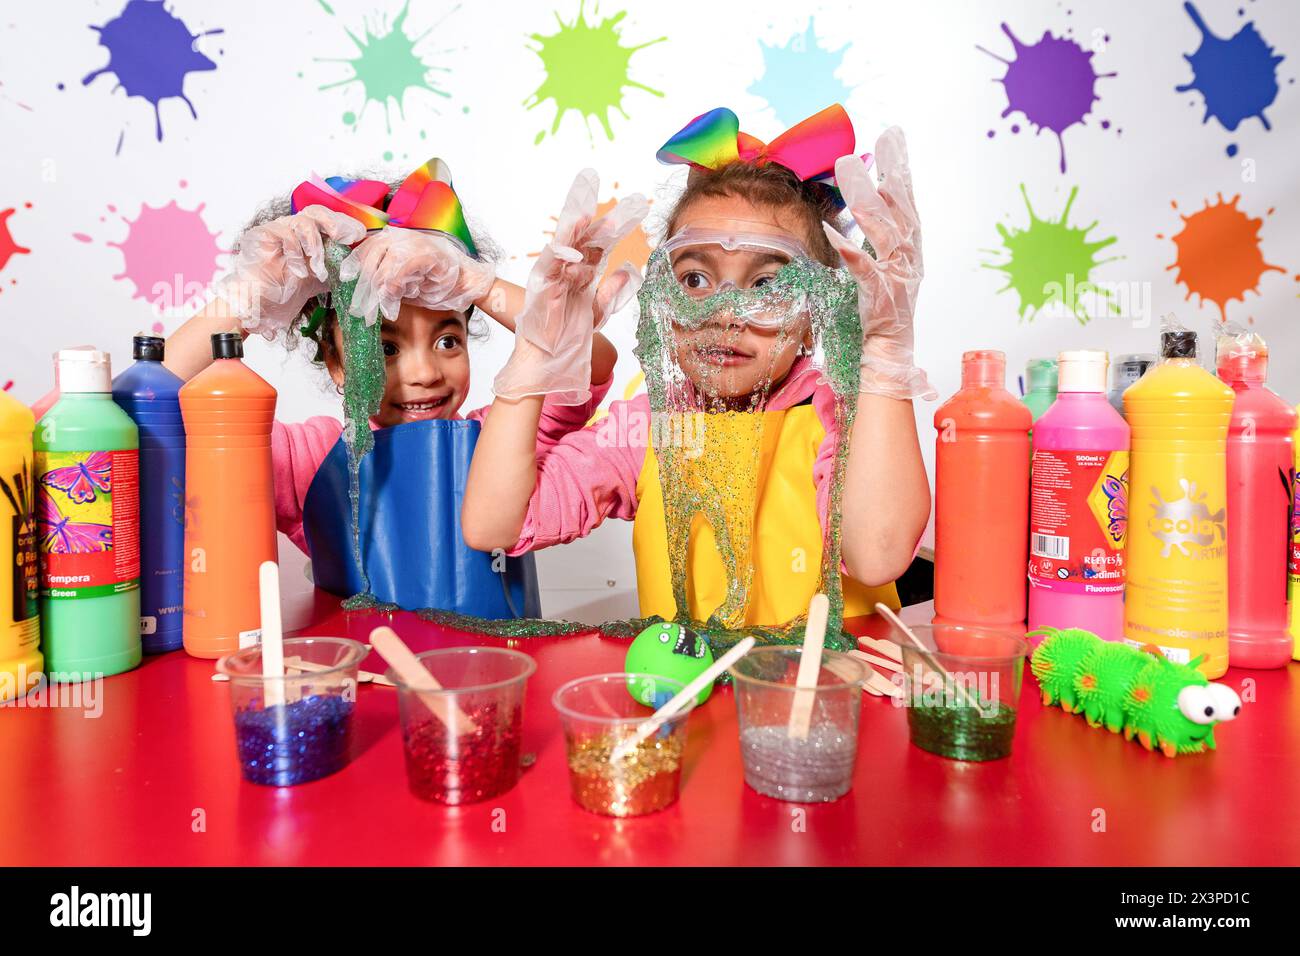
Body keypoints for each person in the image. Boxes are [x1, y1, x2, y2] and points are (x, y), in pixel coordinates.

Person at [461, 106, 933, 629]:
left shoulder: (841, 416)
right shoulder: (649, 429)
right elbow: (493, 525)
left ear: (814, 311)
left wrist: (884, 354)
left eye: (767, 286)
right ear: (663, 293)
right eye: (694, 280)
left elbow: (879, 555)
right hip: (686, 704)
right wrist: (536, 353)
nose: (722, 315)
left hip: (823, 699)